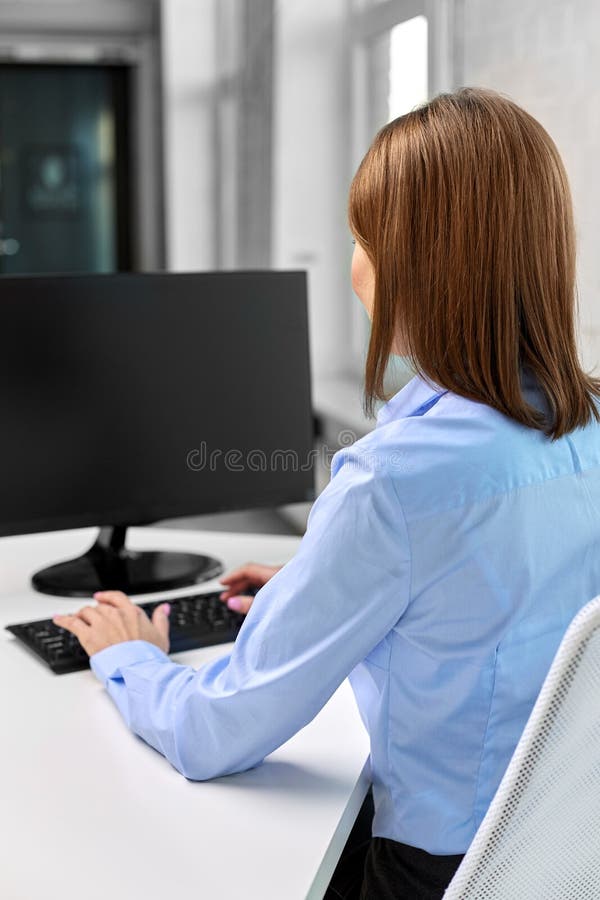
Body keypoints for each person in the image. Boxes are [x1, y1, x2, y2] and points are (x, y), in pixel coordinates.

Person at [54, 87, 600, 899]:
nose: (354, 266)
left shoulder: (394, 481)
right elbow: (516, 607)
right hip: (558, 852)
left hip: (431, 874)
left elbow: (215, 732)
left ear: (424, 271)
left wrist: (128, 654)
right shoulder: (587, 425)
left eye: (362, 239)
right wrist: (332, 586)